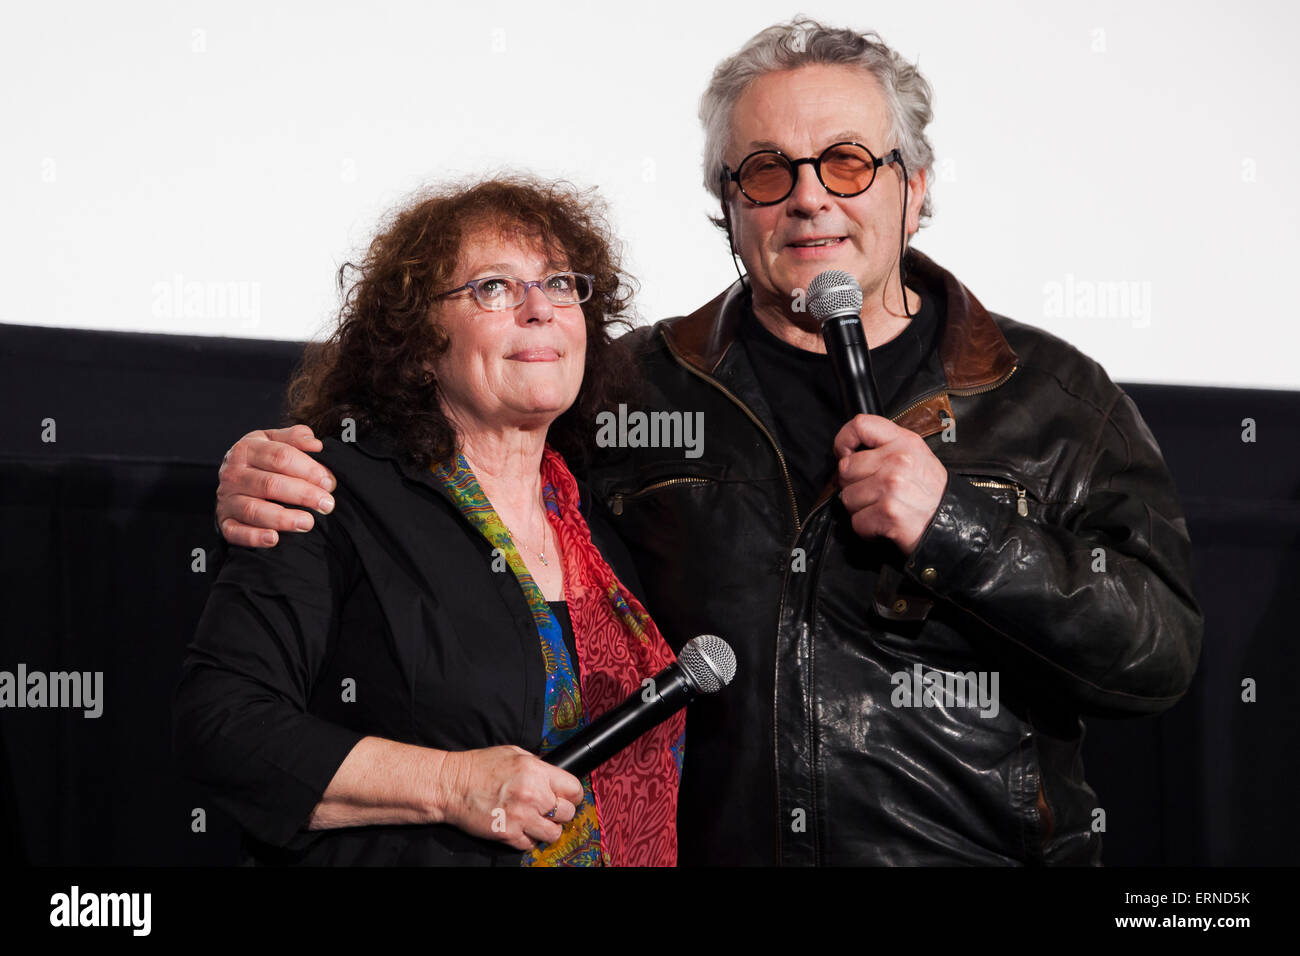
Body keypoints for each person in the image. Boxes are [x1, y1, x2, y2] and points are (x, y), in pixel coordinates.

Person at [211, 19, 1203, 865]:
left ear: (918, 184)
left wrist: (961, 527)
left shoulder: (1053, 397)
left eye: (848, 161)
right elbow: (453, 454)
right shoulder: (627, 384)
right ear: (728, 203)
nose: (809, 197)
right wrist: (271, 460)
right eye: (767, 171)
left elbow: (1156, 659)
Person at [174, 176, 685, 866]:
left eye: (560, 284)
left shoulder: (600, 516)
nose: (539, 309)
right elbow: (221, 727)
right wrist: (450, 785)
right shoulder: (326, 491)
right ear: (419, 343)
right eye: (494, 288)